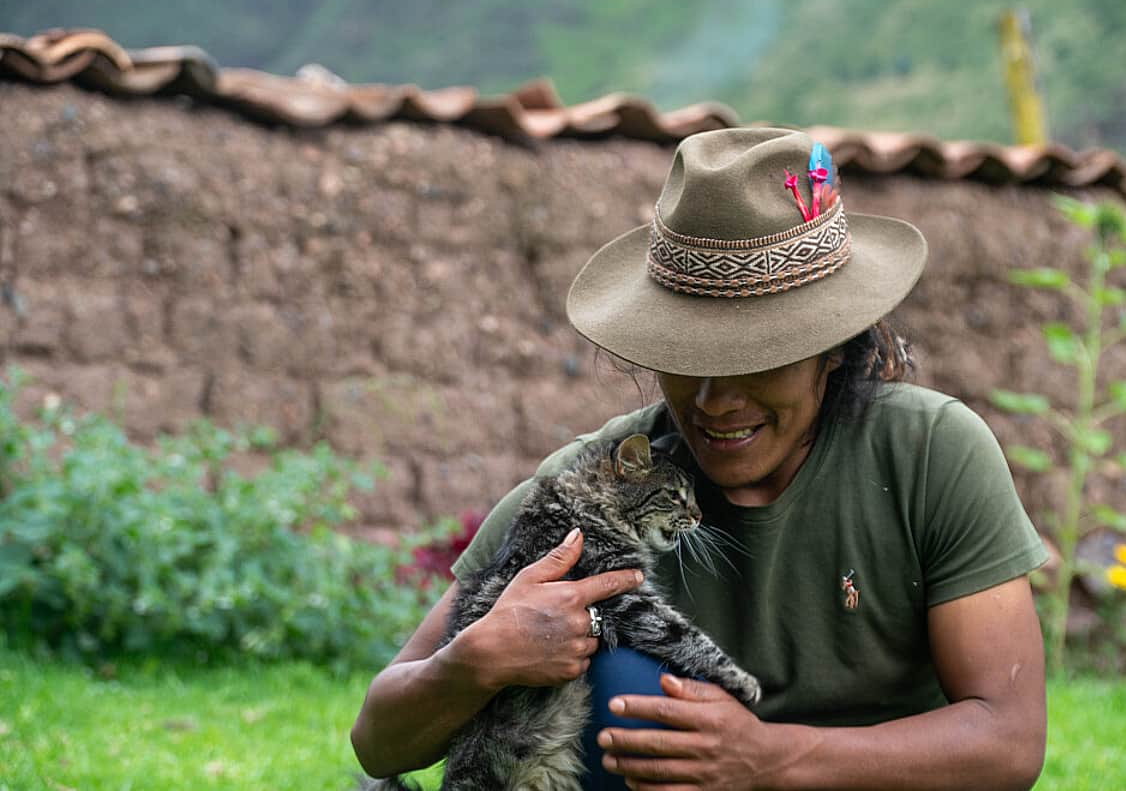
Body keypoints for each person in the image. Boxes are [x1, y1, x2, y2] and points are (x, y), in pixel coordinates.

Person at [352, 128, 1049, 790]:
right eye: (688, 360)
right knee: (620, 678)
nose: (716, 401)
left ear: (836, 346)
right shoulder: (584, 491)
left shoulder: (933, 454)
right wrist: (470, 663)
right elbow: (378, 740)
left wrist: (769, 759)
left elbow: (1009, 739)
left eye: (755, 361)